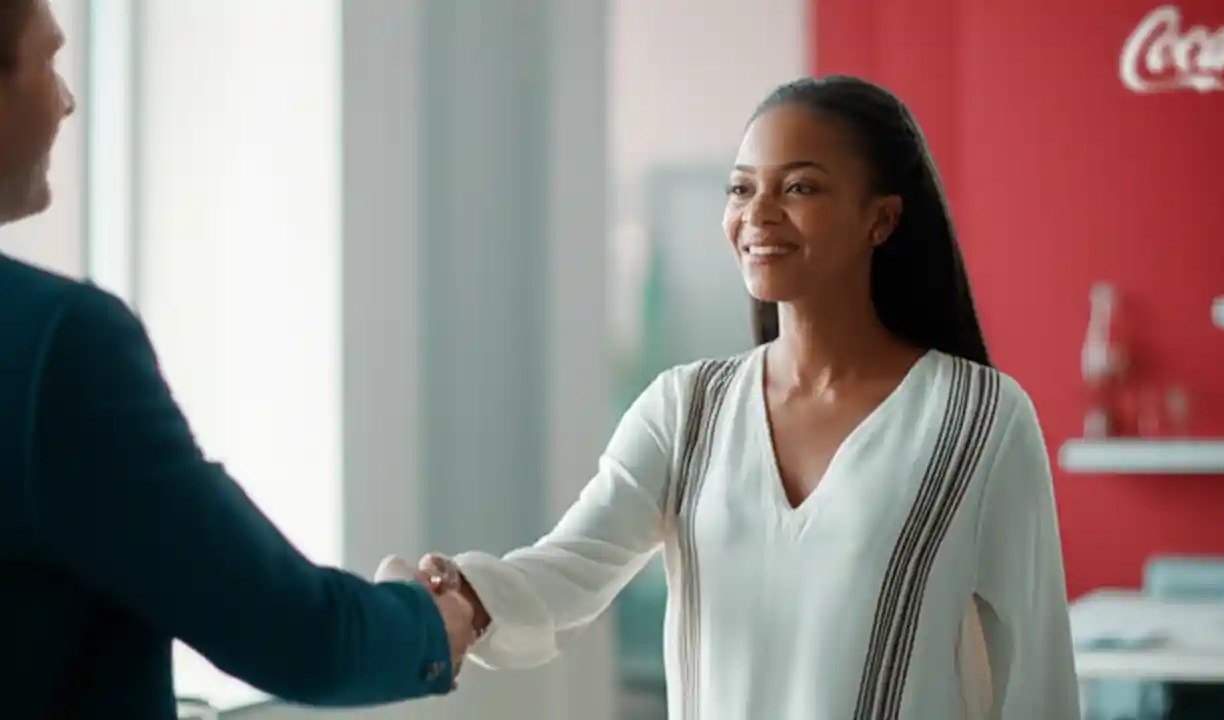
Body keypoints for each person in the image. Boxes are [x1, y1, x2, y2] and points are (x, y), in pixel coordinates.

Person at [406, 76, 1081, 719]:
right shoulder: (686, 409)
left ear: (882, 219)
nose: (757, 213)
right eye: (740, 188)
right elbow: (567, 570)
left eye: (800, 187)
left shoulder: (979, 421)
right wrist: (464, 596)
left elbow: (1037, 676)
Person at [0, 1, 475, 717]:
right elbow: (298, 634)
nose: (66, 102)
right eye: (49, 61)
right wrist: (429, 623)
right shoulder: (56, 347)